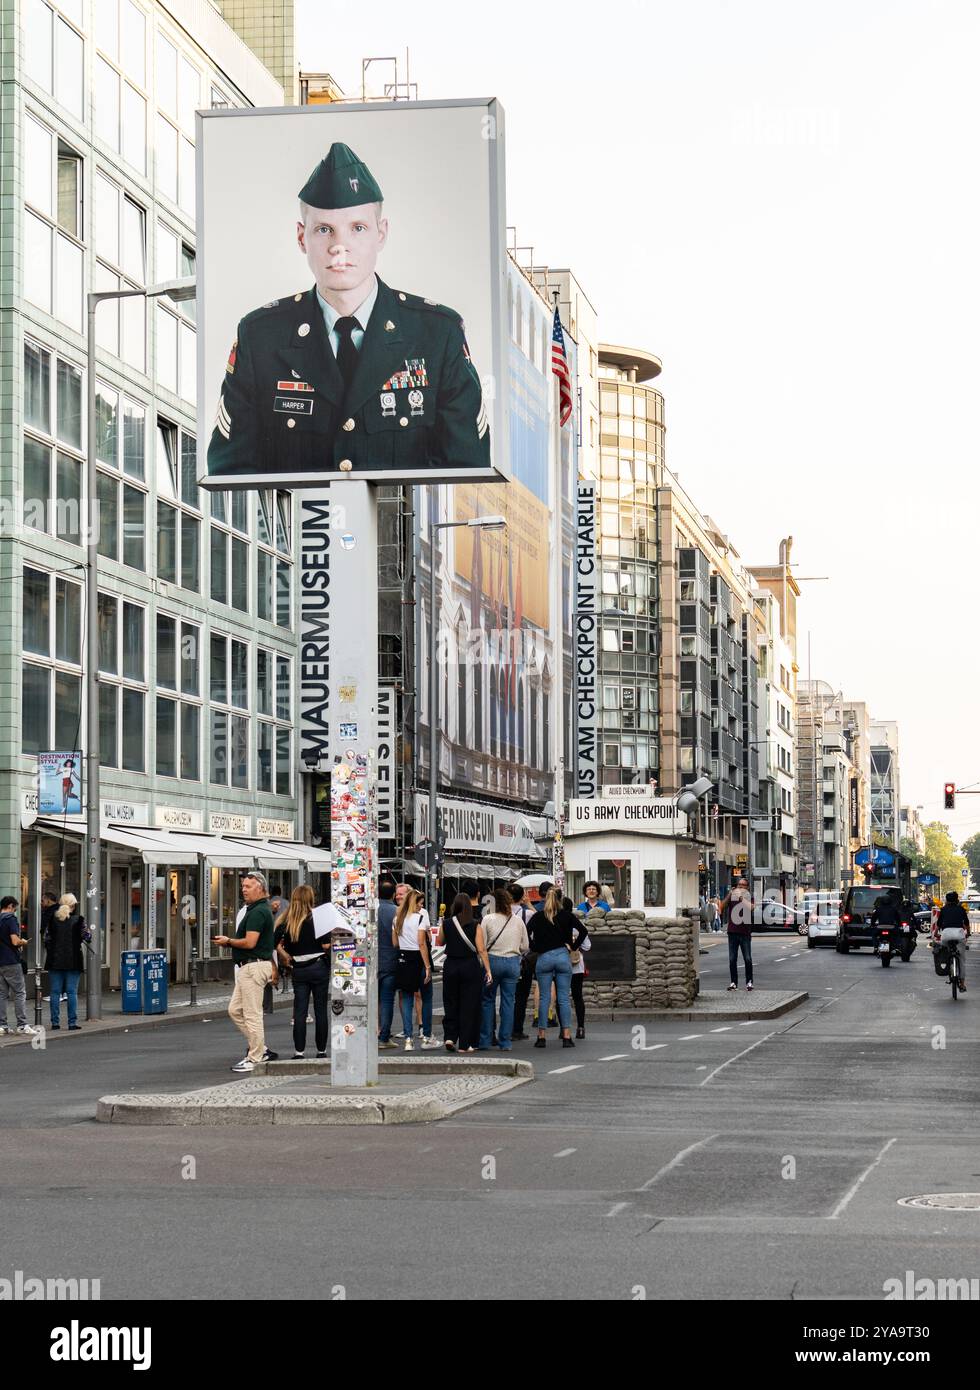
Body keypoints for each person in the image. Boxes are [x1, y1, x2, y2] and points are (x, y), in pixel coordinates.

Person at [207, 142, 490, 486]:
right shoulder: (261, 337)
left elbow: (467, 474)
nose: (339, 246)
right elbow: (230, 476)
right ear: (302, 237)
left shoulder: (435, 335)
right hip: (297, 538)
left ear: (381, 233)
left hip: (402, 538)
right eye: (324, 229)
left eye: (357, 228)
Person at [213, 871, 278, 1072]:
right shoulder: (256, 909)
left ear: (260, 888)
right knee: (235, 1010)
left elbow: (250, 942)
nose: (244, 890)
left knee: (252, 1014)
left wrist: (228, 941)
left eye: (248, 887)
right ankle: (261, 1049)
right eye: (243, 887)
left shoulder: (258, 911)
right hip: (249, 966)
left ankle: (256, 1057)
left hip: (253, 966)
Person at [274, 885, 330, 1057]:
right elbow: (326, 945)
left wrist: (286, 955)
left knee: (300, 1010)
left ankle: (299, 1051)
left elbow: (274, 943)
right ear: (310, 899)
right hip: (319, 965)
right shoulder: (318, 918)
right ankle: (321, 1050)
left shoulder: (286, 920)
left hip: (298, 968)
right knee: (320, 1010)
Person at [439, 893, 491, 1052]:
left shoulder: (446, 923)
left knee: (450, 1001)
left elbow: (440, 941)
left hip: (451, 965)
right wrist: (488, 970)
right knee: (469, 1004)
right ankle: (465, 1044)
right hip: (470, 966)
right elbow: (481, 949)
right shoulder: (475, 924)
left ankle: (450, 1036)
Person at [479, 889, 528, 1051]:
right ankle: (505, 1041)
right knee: (508, 1002)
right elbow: (525, 946)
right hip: (512, 962)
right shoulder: (518, 920)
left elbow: (483, 945)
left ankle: (485, 1039)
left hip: (492, 962)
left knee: (487, 1001)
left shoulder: (487, 919)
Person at [531, 888, 576, 1048]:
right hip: (562, 956)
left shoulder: (537, 916)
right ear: (560, 899)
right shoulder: (566, 916)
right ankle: (566, 1036)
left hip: (544, 958)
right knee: (563, 998)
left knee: (544, 998)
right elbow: (583, 931)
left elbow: (526, 934)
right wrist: (572, 945)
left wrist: (536, 947)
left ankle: (541, 1036)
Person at [393, 889, 437, 1051]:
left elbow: (395, 943)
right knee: (426, 998)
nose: (422, 905)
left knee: (406, 999)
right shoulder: (420, 919)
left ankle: (408, 1039)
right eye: (420, 902)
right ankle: (426, 1036)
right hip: (418, 959)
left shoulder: (397, 919)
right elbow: (422, 943)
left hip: (404, 960)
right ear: (414, 902)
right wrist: (427, 966)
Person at [44, 893, 88, 1030]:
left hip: (55, 961)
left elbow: (47, 939)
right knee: (71, 992)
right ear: (73, 906)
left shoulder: (52, 920)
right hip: (73, 961)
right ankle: (72, 1023)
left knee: (55, 992)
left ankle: (55, 1023)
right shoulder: (79, 920)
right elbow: (87, 936)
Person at [512, 881, 548, 1041]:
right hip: (523, 959)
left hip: (500, 958)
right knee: (520, 996)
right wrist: (528, 904)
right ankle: (516, 1029)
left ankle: (495, 1032)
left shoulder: (494, 915)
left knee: (504, 996)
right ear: (522, 897)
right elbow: (541, 923)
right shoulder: (527, 914)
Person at [0, 896, 37, 1036]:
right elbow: (15, 941)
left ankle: (2, 1025)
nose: (15, 911)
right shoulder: (11, 919)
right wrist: (24, 942)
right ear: (10, 906)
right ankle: (22, 1025)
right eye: (15, 908)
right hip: (11, 960)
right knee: (20, 992)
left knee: (2, 994)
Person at [376, 879, 400, 1049]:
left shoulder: (371, 910)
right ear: (393, 894)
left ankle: (371, 1032)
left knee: (372, 1001)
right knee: (387, 1001)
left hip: (371, 962)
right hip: (390, 961)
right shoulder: (397, 912)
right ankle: (384, 1036)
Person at [721, 878, 754, 991]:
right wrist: (729, 894)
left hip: (745, 932)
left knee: (747, 958)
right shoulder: (732, 896)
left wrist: (741, 898)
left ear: (747, 887)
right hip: (733, 931)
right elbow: (721, 906)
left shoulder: (749, 896)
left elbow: (751, 907)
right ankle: (733, 982)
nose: (740, 887)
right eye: (739, 885)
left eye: (743, 885)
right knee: (732, 959)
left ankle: (749, 982)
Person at [935, 891, 970, 990]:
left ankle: (948, 963)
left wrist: (936, 933)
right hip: (959, 934)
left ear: (946, 900)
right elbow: (966, 923)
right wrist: (968, 933)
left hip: (946, 935)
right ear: (957, 899)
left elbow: (938, 924)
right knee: (962, 959)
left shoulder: (943, 909)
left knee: (945, 951)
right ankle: (962, 984)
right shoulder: (961, 909)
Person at [568, 906, 591, 1040]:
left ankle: (563, 1029)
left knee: (562, 997)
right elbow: (587, 946)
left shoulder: (556, 924)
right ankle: (580, 1027)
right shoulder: (577, 927)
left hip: (560, 964)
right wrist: (575, 945)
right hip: (576, 966)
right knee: (578, 996)